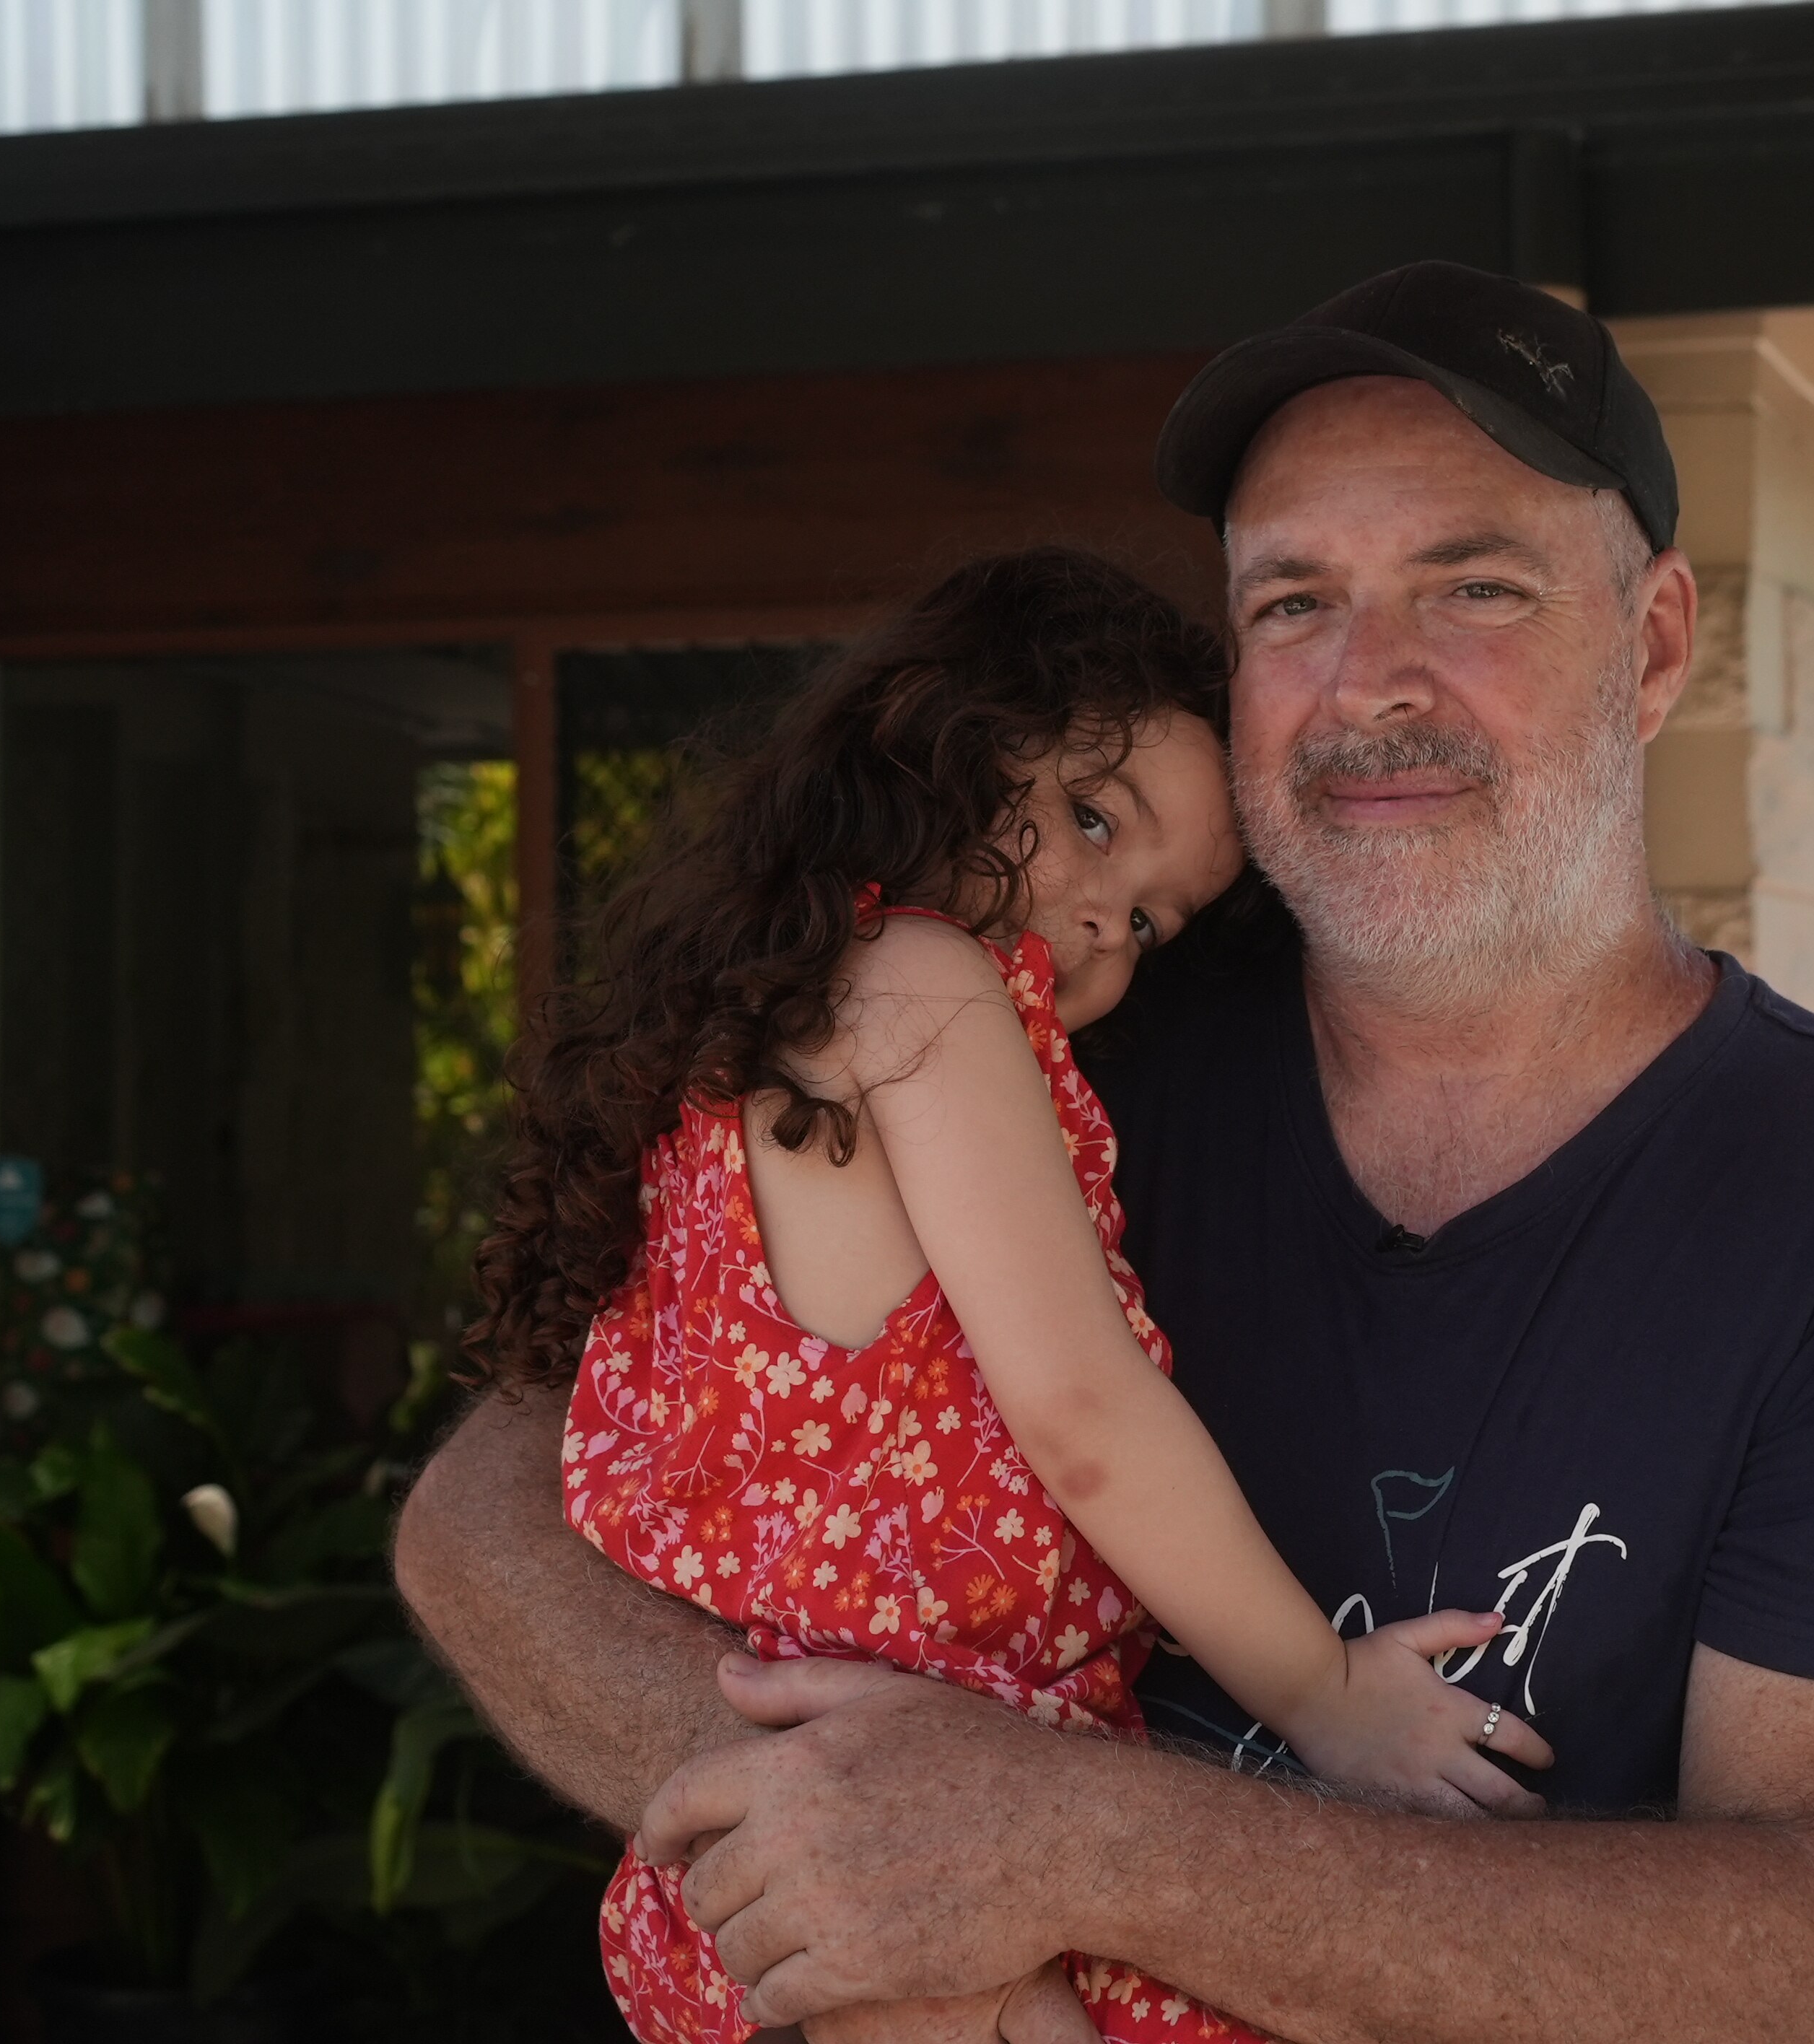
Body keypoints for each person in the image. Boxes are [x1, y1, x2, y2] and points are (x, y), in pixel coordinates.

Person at [400, 261, 1814, 2044]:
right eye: (1291, 603)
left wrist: (1066, 1847)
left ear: (1655, 647)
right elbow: (489, 1513)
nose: (1368, 685)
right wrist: (859, 1844)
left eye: (1476, 586)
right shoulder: (1057, 1040)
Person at [479, 550, 1547, 2044]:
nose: (1108, 924)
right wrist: (1322, 1693)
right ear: (946, 744)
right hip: (914, 1831)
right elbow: (1082, 1413)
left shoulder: (773, 1028)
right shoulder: (922, 986)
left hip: (824, 1842)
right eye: (1092, 823)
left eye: (1157, 922)